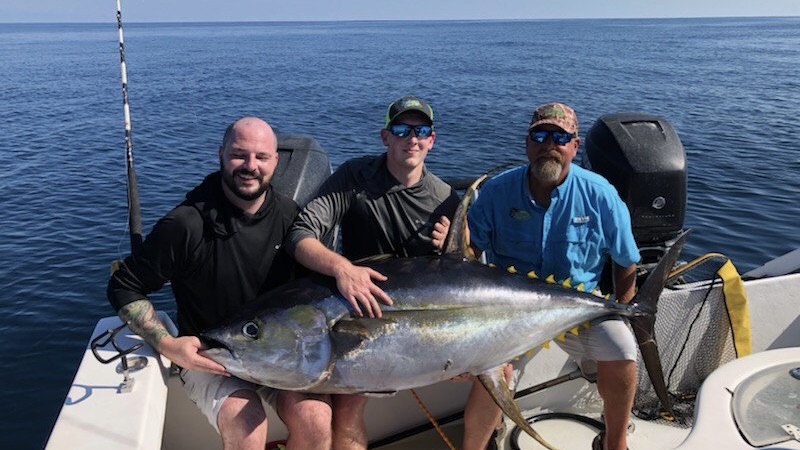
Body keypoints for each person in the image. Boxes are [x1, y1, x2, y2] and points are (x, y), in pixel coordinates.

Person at [107, 117, 333, 450]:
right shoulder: (185, 225)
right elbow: (123, 287)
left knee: (316, 418)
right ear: (221, 155)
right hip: (212, 356)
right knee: (247, 423)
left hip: (277, 352)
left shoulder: (290, 218)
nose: (250, 166)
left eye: (261, 157)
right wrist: (168, 345)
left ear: (276, 161)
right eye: (239, 155)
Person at [284, 95, 460, 449]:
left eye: (421, 130)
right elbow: (300, 236)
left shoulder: (445, 198)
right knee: (340, 403)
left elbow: (465, 268)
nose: (412, 138)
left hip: (418, 322)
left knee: (347, 404)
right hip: (360, 312)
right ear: (385, 137)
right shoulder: (354, 178)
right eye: (401, 129)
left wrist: (454, 247)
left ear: (431, 140)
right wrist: (342, 268)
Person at [464, 103, 641, 450]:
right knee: (493, 373)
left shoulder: (600, 194)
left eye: (560, 137)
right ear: (527, 143)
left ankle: (615, 443)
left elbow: (626, 260)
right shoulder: (497, 192)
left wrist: (623, 308)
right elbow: (469, 254)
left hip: (582, 305)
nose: (549, 144)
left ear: (575, 146)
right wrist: (455, 244)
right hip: (511, 311)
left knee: (622, 349)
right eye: (540, 135)